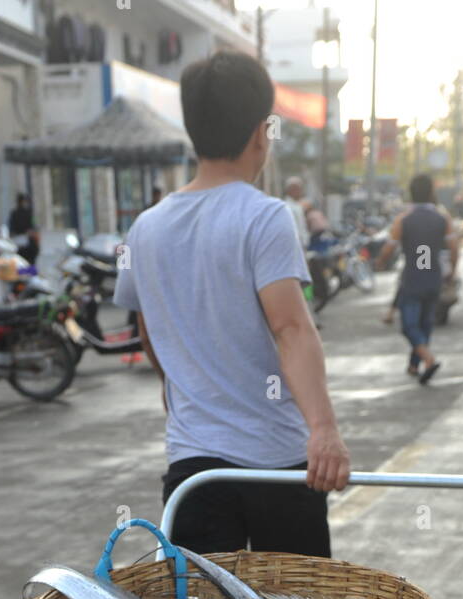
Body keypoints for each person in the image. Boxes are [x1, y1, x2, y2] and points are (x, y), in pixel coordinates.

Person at [113, 51, 349, 557]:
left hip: (195, 471)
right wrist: (324, 430)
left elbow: (148, 333)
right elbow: (291, 328)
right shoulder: (265, 217)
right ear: (261, 133)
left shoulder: (145, 227)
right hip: (277, 466)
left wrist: (184, 386)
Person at [375, 173, 457, 384]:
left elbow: (389, 248)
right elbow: (454, 247)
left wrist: (380, 262)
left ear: (410, 194)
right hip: (433, 277)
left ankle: (428, 358)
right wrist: (452, 271)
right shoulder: (443, 218)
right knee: (425, 323)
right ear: (432, 193)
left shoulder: (403, 219)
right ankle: (414, 365)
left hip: (412, 278)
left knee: (409, 325)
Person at [7, 192, 37, 261]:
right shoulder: (28, 213)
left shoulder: (14, 213)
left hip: (17, 239)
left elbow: (11, 227)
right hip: (26, 239)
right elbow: (32, 226)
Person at [283, 176, 309, 249]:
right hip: (295, 246)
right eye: (298, 189)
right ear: (291, 189)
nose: (300, 192)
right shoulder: (287, 206)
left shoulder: (297, 206)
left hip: (300, 245)